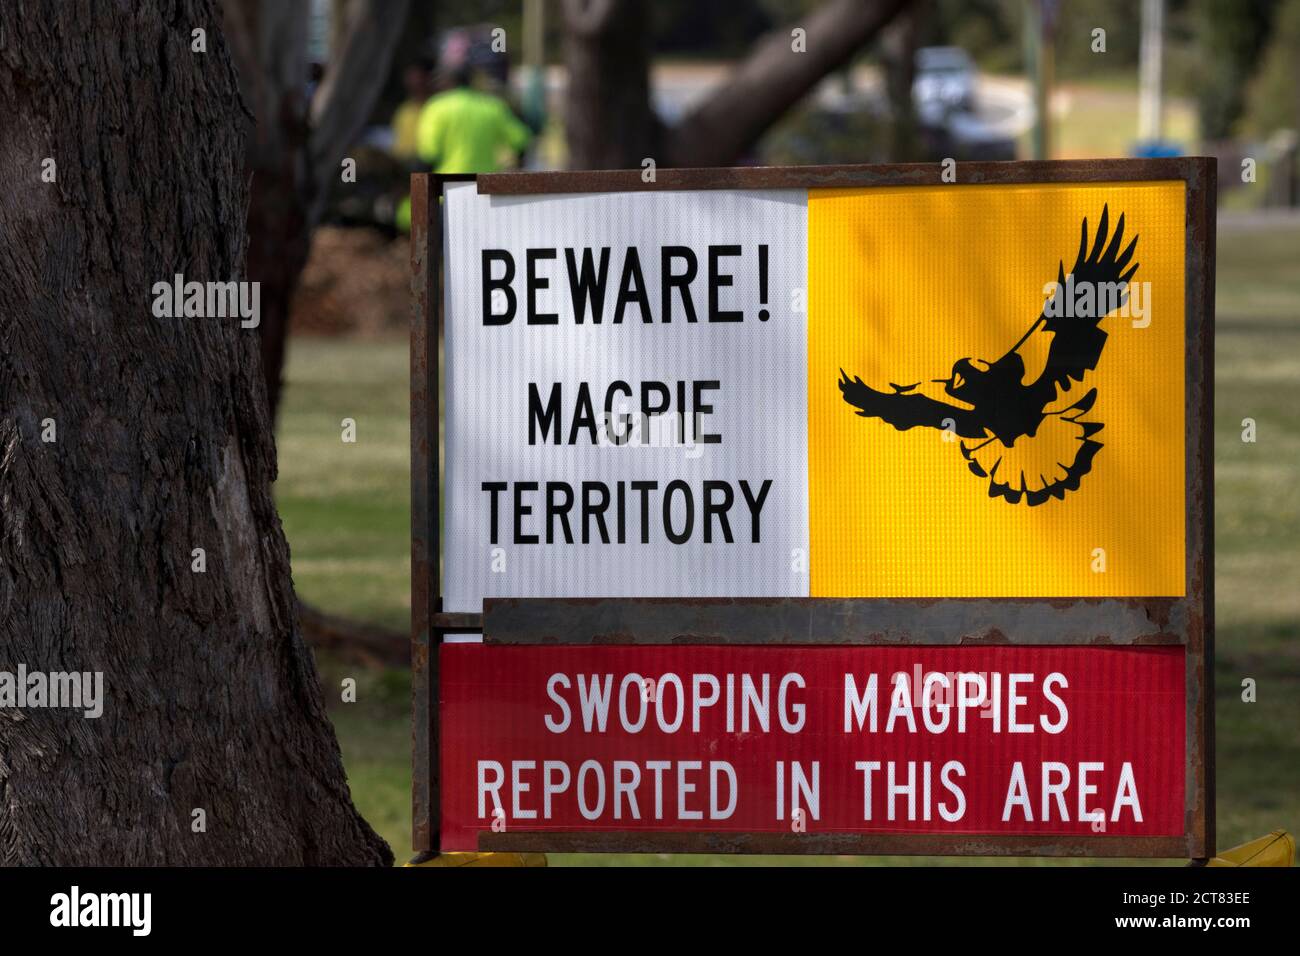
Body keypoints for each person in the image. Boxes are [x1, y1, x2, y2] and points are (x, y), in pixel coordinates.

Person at [414, 64, 533, 175]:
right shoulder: (492, 106)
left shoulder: (436, 107)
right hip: (485, 187)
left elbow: (429, 153)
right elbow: (521, 140)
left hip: (447, 186)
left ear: (448, 82)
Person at [390, 60, 434, 161]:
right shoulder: (404, 110)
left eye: (416, 77)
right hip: (404, 164)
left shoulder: (435, 108)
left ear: (427, 79)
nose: (412, 82)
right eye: (409, 77)